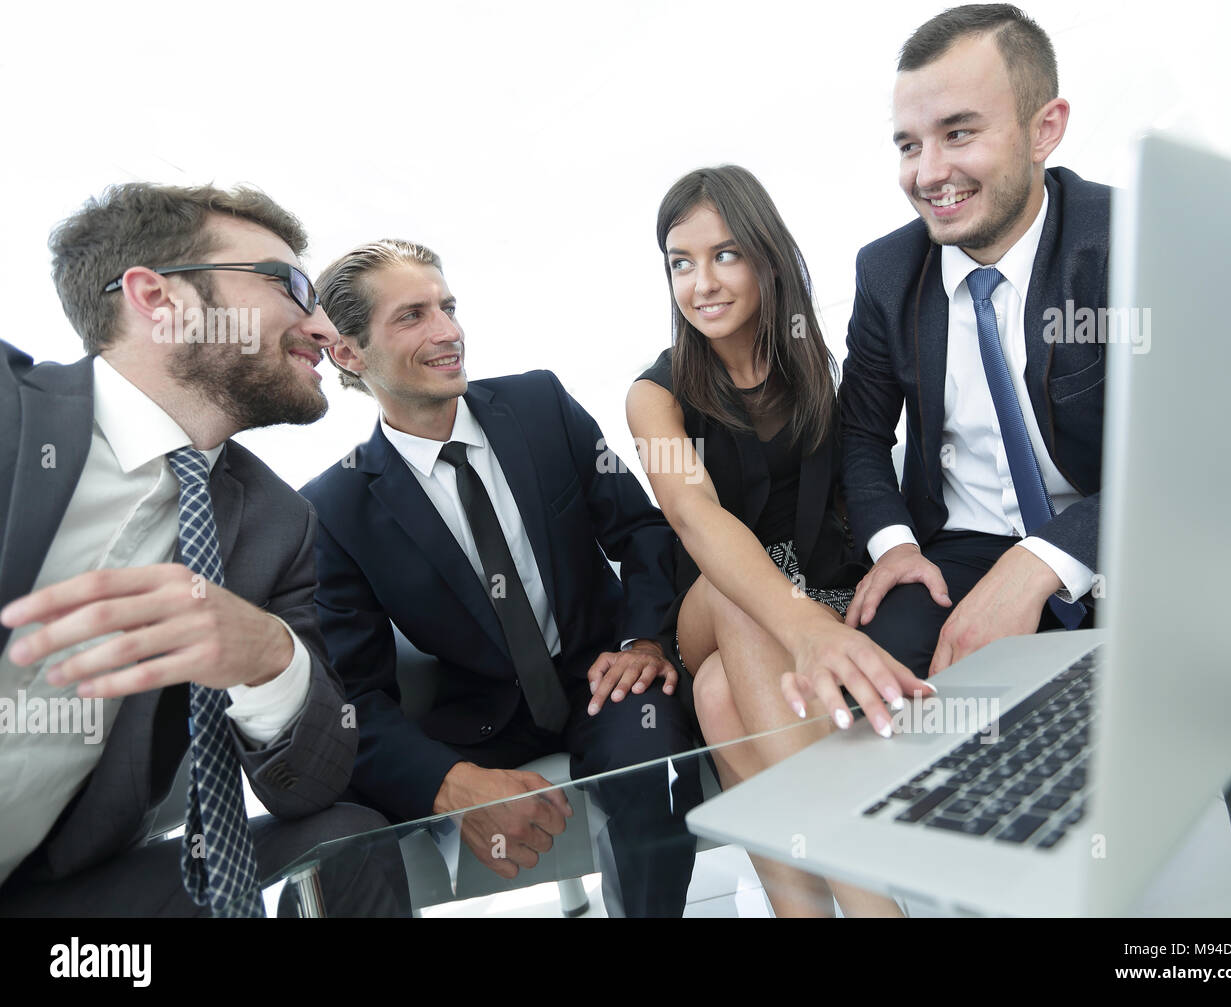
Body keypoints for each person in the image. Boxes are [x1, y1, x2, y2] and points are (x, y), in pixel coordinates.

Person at [0, 183, 406, 917]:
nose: (322, 326)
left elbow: (310, 782)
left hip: (50, 902)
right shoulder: (10, 409)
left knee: (346, 837)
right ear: (157, 298)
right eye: (291, 286)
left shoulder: (282, 524)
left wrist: (267, 656)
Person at [300, 239, 701, 917]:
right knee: (338, 832)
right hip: (478, 718)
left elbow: (643, 532)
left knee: (654, 768)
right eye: (413, 315)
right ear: (347, 353)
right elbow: (355, 697)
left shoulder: (540, 405)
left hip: (604, 676)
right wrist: (449, 782)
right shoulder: (333, 508)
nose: (448, 331)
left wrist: (643, 643)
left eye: (448, 307)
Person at [627, 165, 932, 917]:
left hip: (821, 588)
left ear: (767, 258)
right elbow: (695, 515)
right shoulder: (652, 398)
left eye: (725, 254)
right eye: (680, 261)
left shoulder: (813, 363)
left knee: (719, 693)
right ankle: (872, 904)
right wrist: (800, 626)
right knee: (738, 594)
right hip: (716, 601)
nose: (702, 281)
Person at [822, 4, 1111, 699]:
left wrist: (1041, 561)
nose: (928, 172)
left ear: (1045, 128)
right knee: (880, 694)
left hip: (1123, 528)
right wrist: (895, 547)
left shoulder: (1129, 242)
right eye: (908, 144)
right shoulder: (887, 274)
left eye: (958, 133)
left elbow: (1188, 449)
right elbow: (860, 432)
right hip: (960, 548)